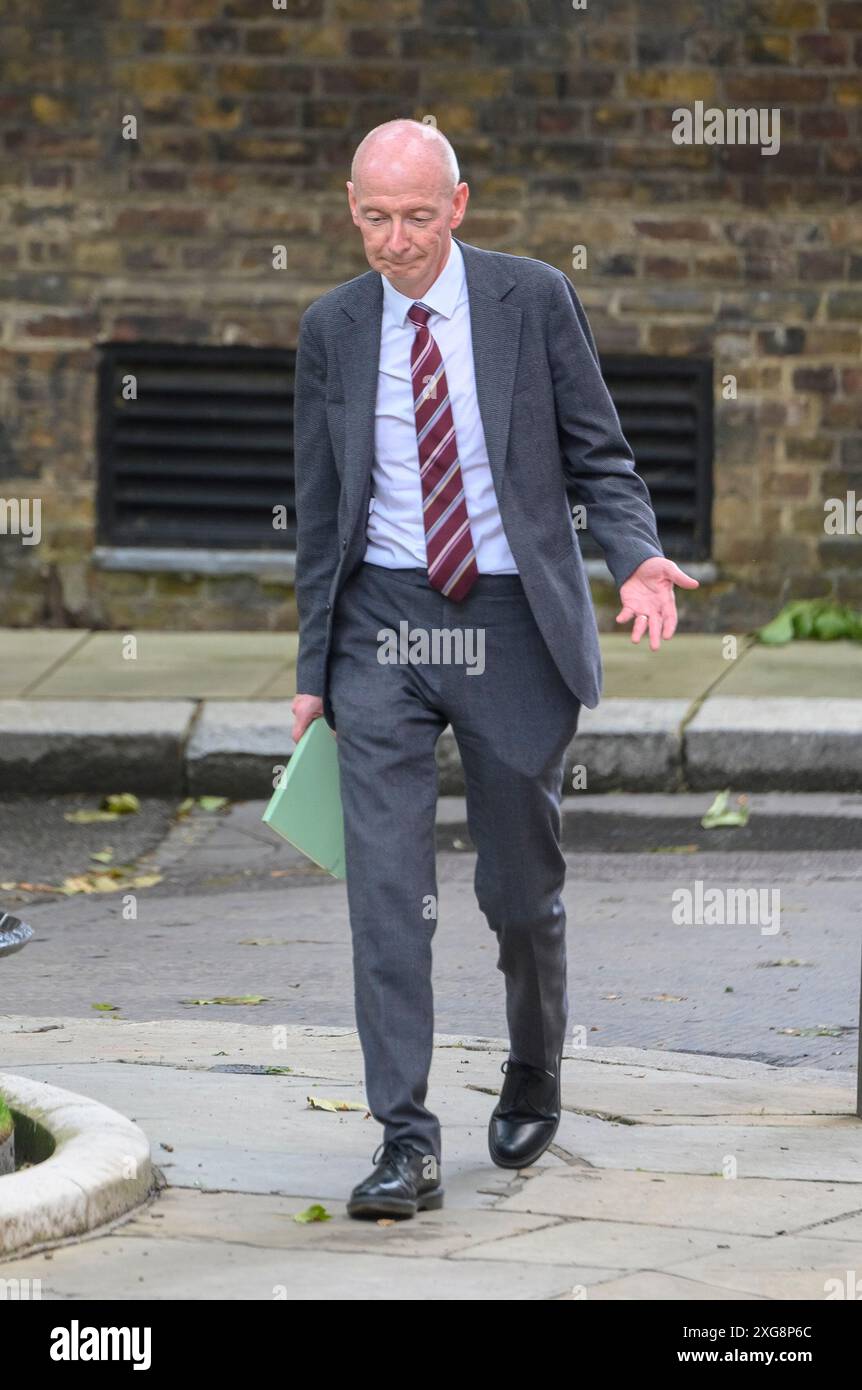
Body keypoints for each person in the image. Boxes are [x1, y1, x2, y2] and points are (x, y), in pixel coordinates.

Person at [290, 118, 698, 1220]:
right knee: (385, 887)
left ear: (458, 208)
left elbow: (599, 453)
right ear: (350, 207)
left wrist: (638, 555)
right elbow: (320, 510)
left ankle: (533, 1061)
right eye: (374, 217)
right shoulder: (330, 325)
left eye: (416, 216)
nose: (394, 240)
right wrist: (313, 665)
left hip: (511, 614)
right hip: (380, 617)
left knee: (517, 885)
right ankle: (403, 1138)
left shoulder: (530, 300)